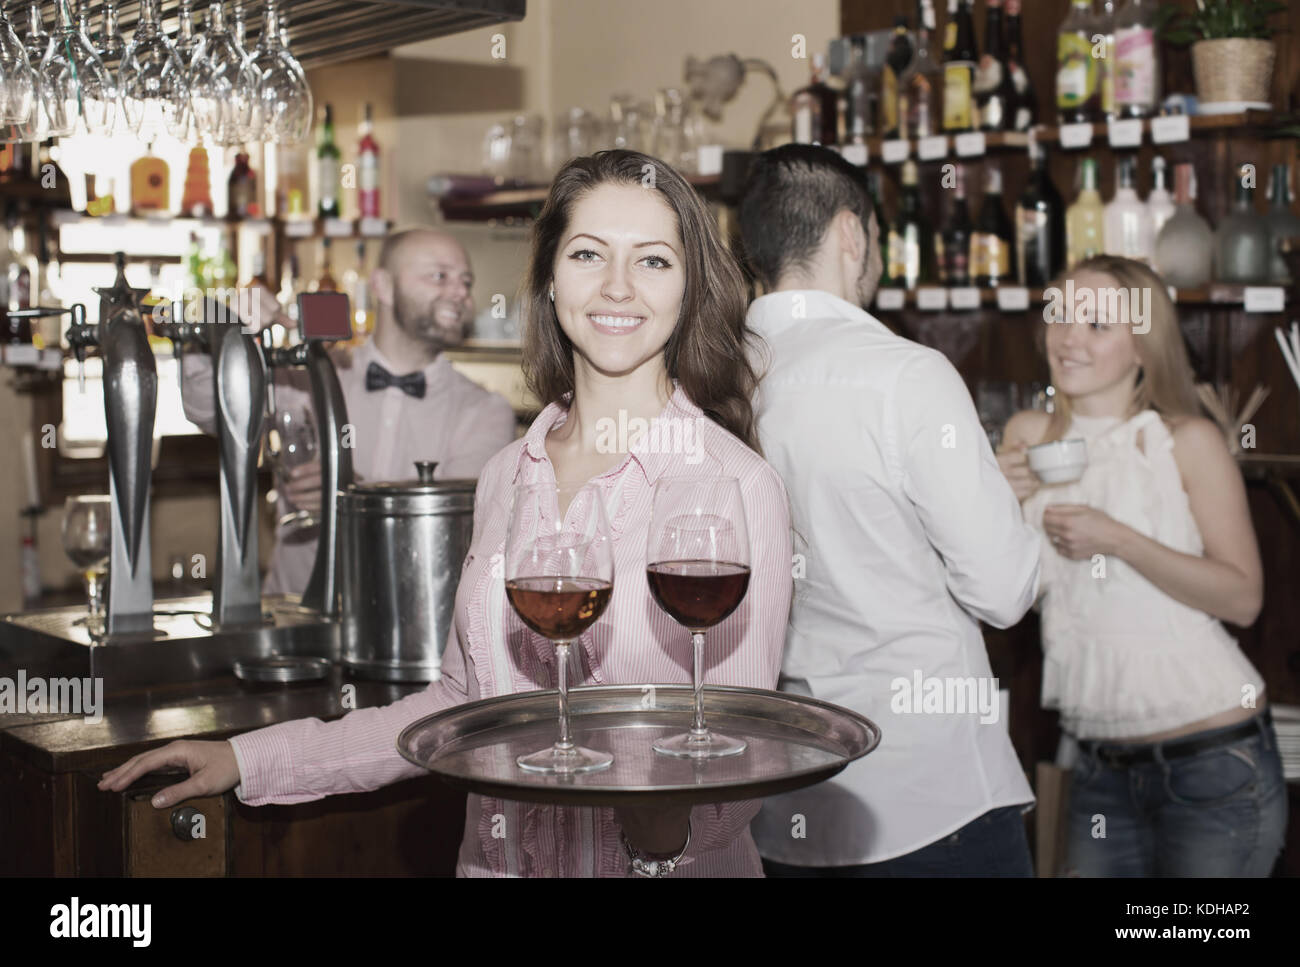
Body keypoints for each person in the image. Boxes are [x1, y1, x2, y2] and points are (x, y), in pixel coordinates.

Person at [99, 150, 793, 877]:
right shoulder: (503, 476)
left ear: (689, 289)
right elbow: (459, 709)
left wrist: (653, 828)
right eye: (588, 253)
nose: (617, 285)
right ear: (551, 281)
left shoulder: (734, 484)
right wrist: (249, 755)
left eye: (653, 261)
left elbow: (734, 766)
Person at [739, 144, 1042, 876]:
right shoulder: (905, 372)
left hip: (783, 800)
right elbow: (1003, 594)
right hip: (928, 793)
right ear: (853, 234)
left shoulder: (716, 378)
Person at [996, 255, 1286, 876]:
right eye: (1062, 317)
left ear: (1143, 346)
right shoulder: (1023, 438)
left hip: (1211, 760)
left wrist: (1120, 539)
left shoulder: (1186, 441)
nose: (1069, 338)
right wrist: (992, 498)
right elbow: (992, 595)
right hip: (1096, 763)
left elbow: (1243, 598)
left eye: (1097, 324)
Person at [180, 228, 517, 595]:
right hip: (290, 619)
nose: (461, 293)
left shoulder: (486, 410)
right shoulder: (307, 377)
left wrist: (347, 493)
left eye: (466, 281)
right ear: (383, 286)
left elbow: (451, 535)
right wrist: (224, 319)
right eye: (440, 276)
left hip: (409, 627)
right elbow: (206, 406)